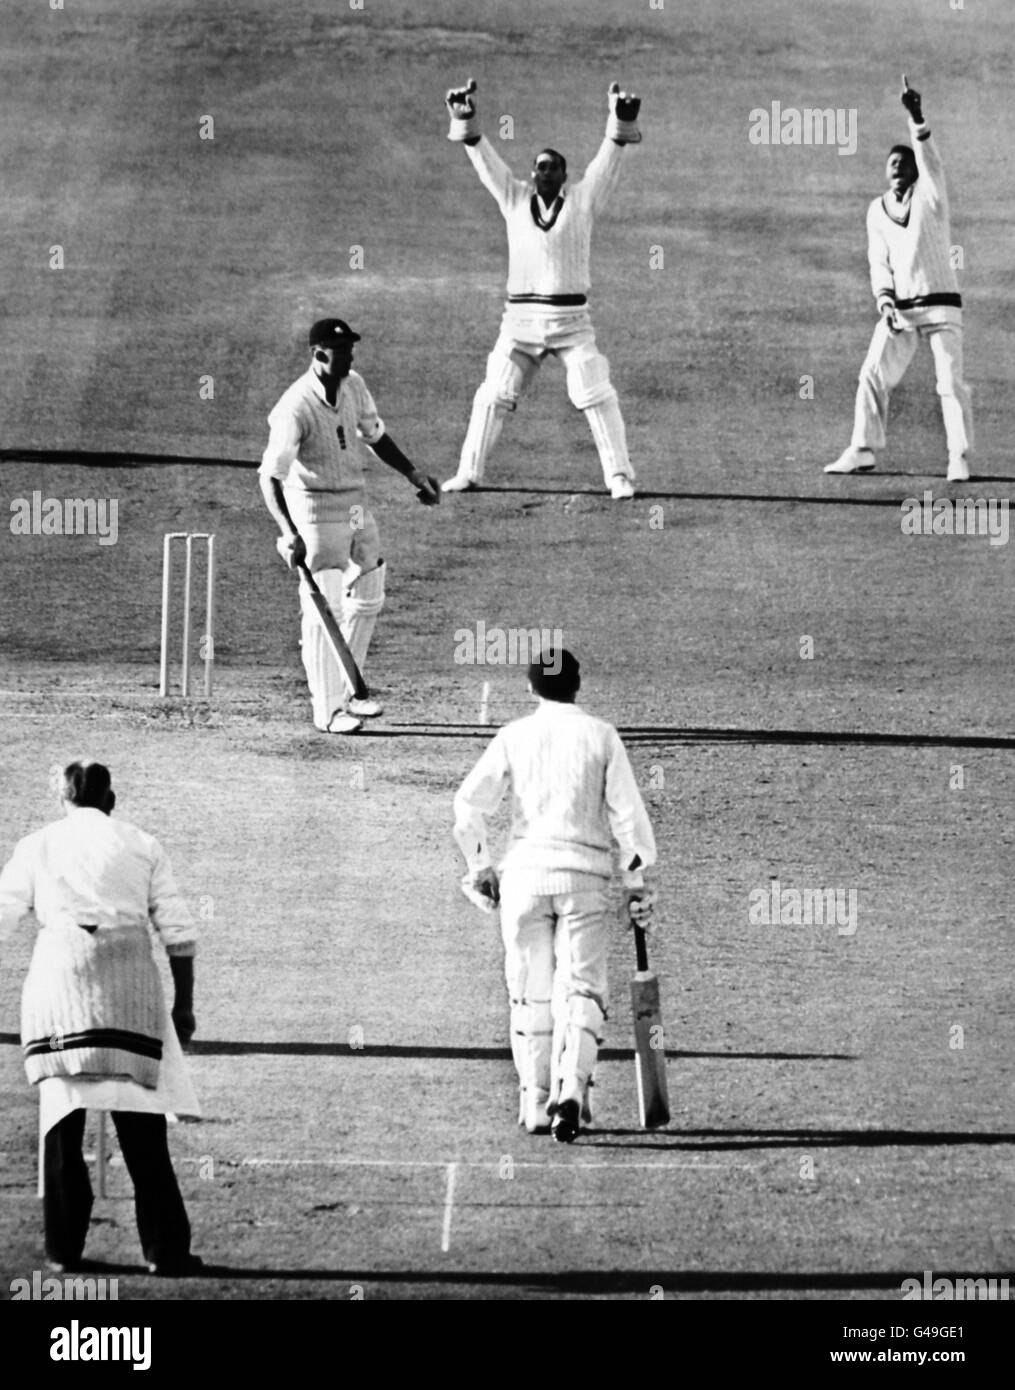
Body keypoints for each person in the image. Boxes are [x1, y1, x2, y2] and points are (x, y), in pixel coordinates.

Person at [0, 761, 202, 1275]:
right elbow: (178, 932)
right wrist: (184, 1006)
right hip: (127, 984)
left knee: (62, 1119)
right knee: (142, 1126)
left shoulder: (37, 844)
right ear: (111, 801)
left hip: (57, 984)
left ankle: (62, 1250)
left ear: (63, 800)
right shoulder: (141, 843)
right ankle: (165, 1251)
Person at [452, 650, 657, 1143]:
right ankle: (571, 1090)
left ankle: (536, 1103)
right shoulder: (602, 736)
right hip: (584, 881)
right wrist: (636, 883)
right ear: (578, 685)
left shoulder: (514, 735)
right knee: (582, 991)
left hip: (523, 880)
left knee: (529, 992)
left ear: (529, 690)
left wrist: (479, 865)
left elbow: (468, 804)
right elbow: (628, 819)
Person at [441, 80, 643, 500]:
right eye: (540, 166)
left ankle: (619, 477)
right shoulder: (514, 199)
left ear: (566, 176)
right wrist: (466, 120)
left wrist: (620, 122)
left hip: (571, 322)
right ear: (532, 174)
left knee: (594, 391)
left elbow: (606, 166)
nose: (546, 171)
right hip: (520, 324)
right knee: (493, 394)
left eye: (553, 166)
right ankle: (468, 473)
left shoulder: (584, 200)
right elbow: (487, 164)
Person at [260, 317, 440, 735]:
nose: (350, 356)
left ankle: (350, 690)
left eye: (351, 350)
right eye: (342, 351)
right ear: (318, 353)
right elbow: (269, 477)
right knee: (326, 611)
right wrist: (289, 532)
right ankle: (326, 711)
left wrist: (414, 475)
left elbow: (376, 436)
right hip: (315, 511)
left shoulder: (354, 384)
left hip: (355, 505)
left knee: (371, 588)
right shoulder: (294, 407)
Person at [825, 77, 973, 481]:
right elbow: (879, 260)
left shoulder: (931, 196)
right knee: (872, 372)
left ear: (915, 171)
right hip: (901, 310)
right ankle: (862, 449)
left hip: (940, 304)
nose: (896, 168)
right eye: (890, 164)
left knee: (949, 383)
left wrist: (916, 119)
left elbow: (931, 160)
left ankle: (958, 457)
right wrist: (884, 301)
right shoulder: (876, 210)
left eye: (903, 163)